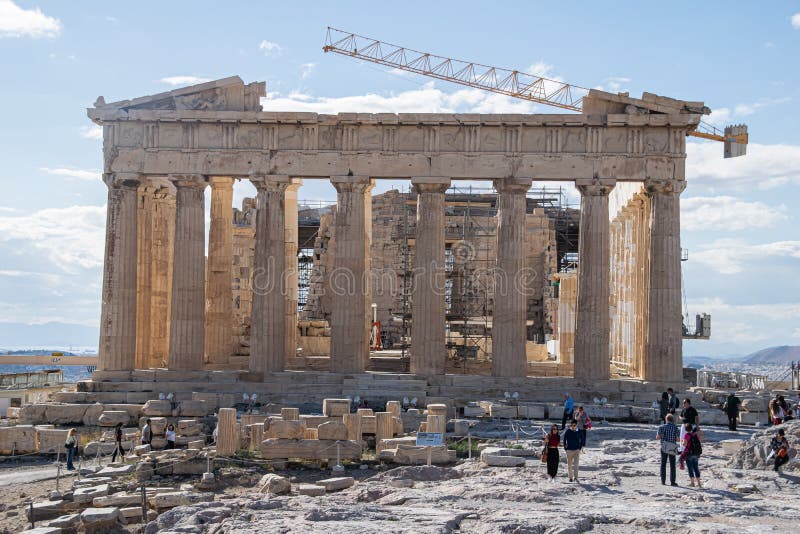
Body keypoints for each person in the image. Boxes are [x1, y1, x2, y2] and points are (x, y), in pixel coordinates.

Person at [656, 414, 680, 486]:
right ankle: (672, 482)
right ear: (672, 420)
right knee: (672, 465)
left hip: (664, 446)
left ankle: (663, 481)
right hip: (672, 447)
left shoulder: (661, 427)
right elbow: (678, 439)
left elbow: (657, 437)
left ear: (666, 419)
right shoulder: (675, 427)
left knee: (663, 464)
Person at [680, 422, 702, 488]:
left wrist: (682, 441)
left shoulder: (686, 435)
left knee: (690, 468)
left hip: (689, 453)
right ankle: (699, 483)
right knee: (696, 468)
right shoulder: (695, 435)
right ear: (691, 428)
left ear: (686, 429)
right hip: (696, 453)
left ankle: (692, 483)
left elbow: (684, 444)